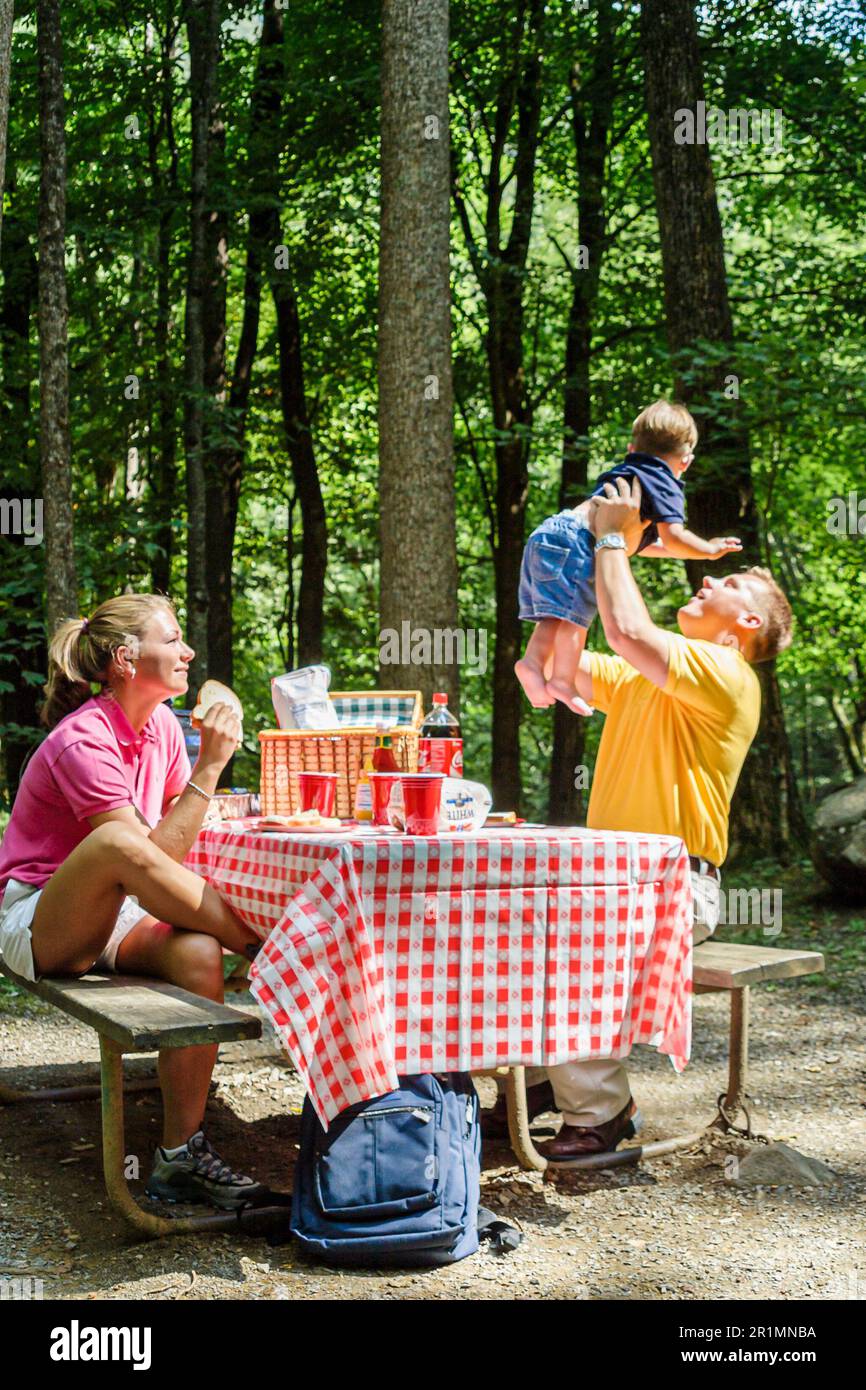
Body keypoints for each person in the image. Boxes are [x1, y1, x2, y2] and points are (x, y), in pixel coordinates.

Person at [487, 475, 794, 1158]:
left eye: (729, 586)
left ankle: (603, 1110)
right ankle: (541, 1085)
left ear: (746, 627)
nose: (706, 583)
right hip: (613, 878)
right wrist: (563, 585)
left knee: (578, 927)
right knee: (508, 913)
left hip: (675, 886)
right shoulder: (651, 678)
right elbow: (555, 670)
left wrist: (610, 538)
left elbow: (627, 630)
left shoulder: (728, 677)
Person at [0, 593, 267, 1208]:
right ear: (125, 659)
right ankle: (262, 948)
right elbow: (147, 857)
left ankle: (180, 1156)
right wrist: (213, 764)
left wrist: (210, 740)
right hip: (41, 920)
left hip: (117, 914)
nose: (188, 651)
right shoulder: (82, 740)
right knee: (119, 841)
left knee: (198, 951)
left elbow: (173, 844)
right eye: (172, 639)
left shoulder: (163, 731)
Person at [515, 400, 742, 713]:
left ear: (632, 446)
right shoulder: (665, 482)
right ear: (685, 461)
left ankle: (532, 663)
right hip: (579, 541)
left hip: (552, 533)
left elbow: (636, 543)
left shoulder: (628, 471)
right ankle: (562, 680)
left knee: (556, 616)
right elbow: (674, 538)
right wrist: (709, 549)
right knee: (575, 619)